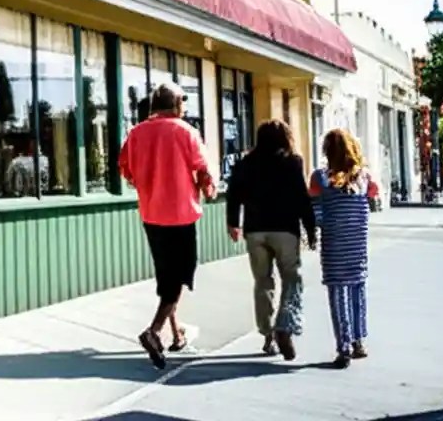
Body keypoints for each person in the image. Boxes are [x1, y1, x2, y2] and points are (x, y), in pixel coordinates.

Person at [119, 82, 217, 369]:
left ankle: (177, 333)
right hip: (181, 213)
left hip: (152, 214)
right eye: (182, 103)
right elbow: (203, 170)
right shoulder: (185, 131)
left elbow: (125, 168)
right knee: (180, 275)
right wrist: (208, 189)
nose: (184, 108)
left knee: (167, 275)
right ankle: (154, 331)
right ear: (175, 105)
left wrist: (147, 182)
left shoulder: (136, 133)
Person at [226, 120, 317, 361]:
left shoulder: (246, 163)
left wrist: (233, 222)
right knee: (291, 278)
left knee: (262, 282)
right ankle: (284, 325)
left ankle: (267, 335)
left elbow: (233, 193)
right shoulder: (292, 162)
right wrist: (310, 229)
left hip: (256, 231)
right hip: (285, 230)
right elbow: (301, 197)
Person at [310, 128, 379, 369]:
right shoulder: (364, 177)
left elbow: (316, 214)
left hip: (334, 246)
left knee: (338, 295)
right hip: (357, 245)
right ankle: (359, 342)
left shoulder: (319, 177)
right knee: (357, 290)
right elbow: (374, 193)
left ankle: (344, 347)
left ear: (327, 151)